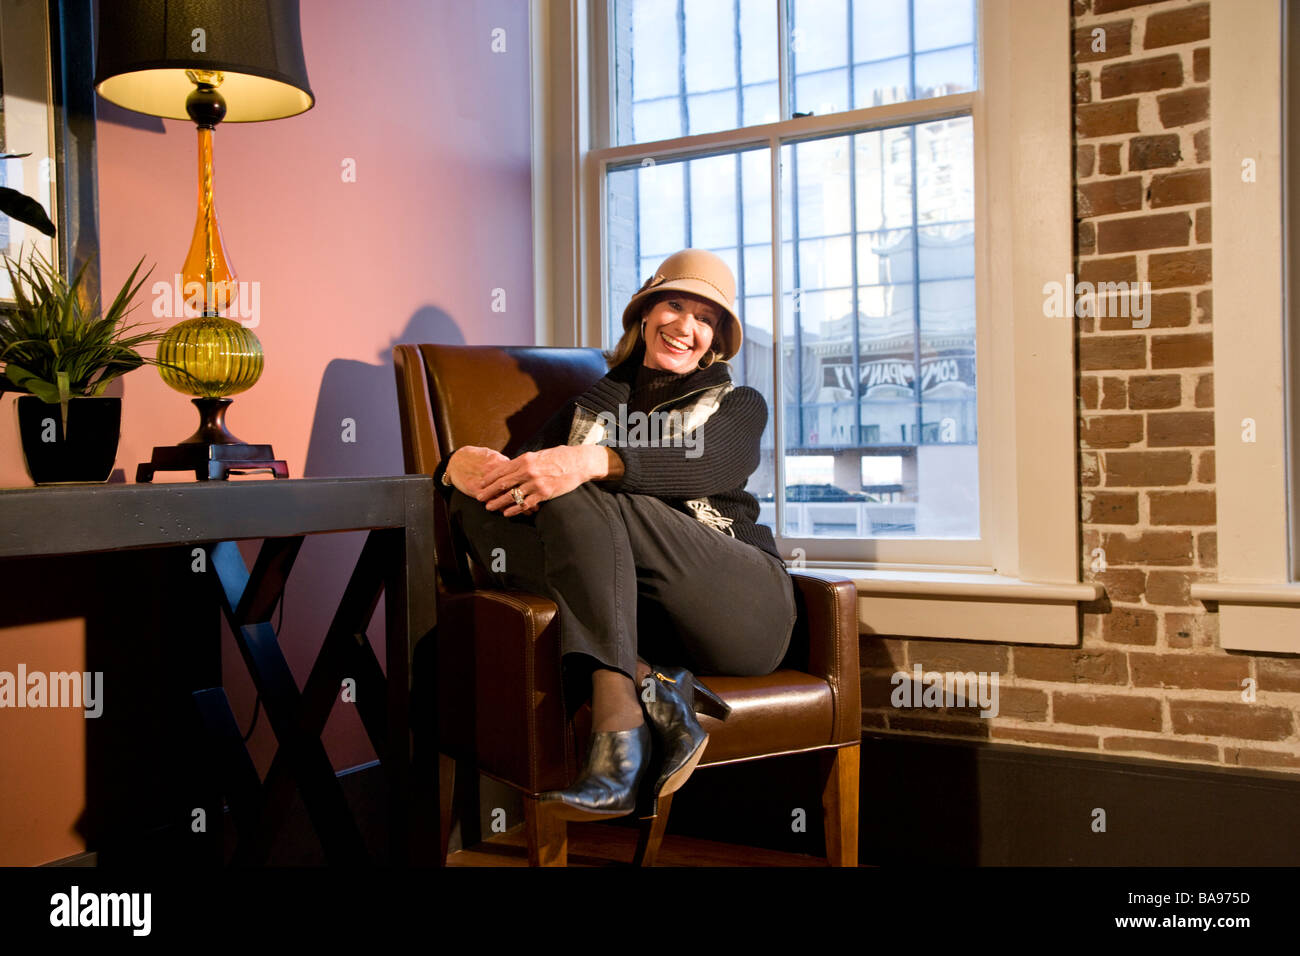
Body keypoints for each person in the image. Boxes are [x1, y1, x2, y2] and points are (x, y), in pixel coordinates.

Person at [432, 248, 796, 822]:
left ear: (718, 339)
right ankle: (650, 690)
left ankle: (617, 727)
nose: (686, 327)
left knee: (566, 479)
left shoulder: (738, 404)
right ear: (645, 315)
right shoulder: (589, 407)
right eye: (674, 306)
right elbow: (520, 488)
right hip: (645, 622)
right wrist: (452, 469)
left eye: (705, 319)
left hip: (744, 608)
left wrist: (591, 462)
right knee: (496, 499)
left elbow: (704, 464)